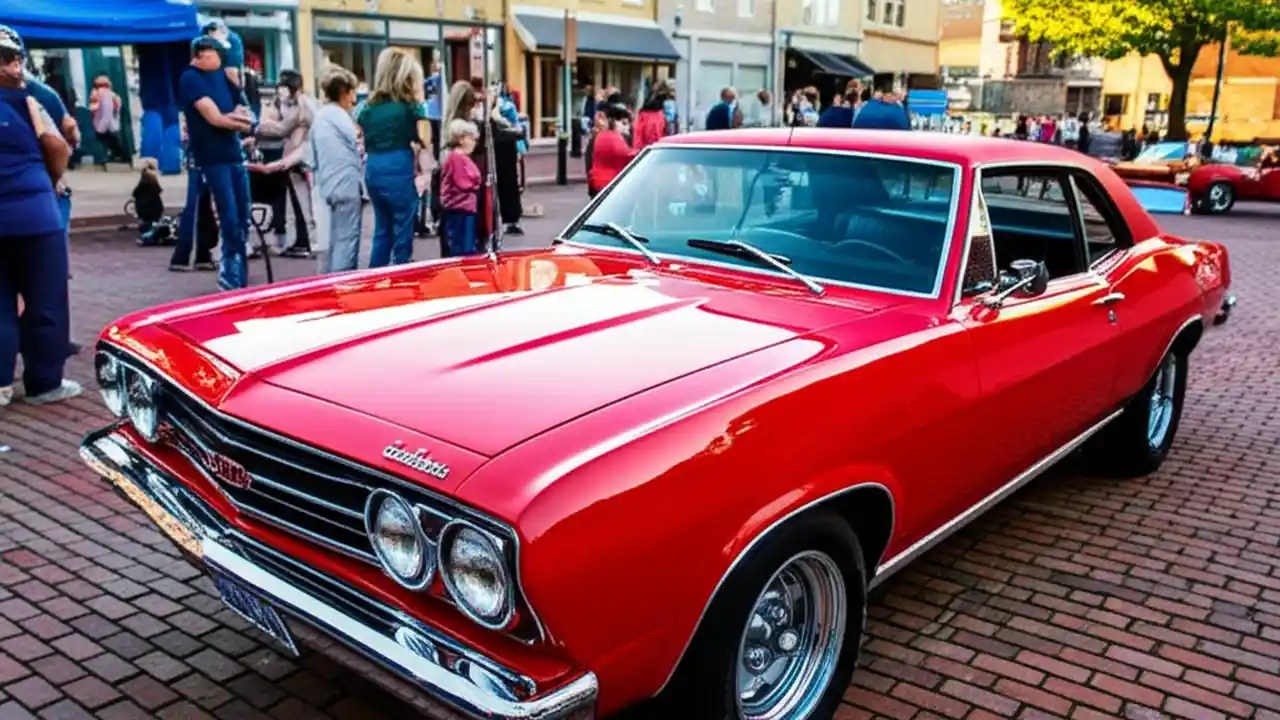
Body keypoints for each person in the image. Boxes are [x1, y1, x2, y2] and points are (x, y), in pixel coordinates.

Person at [0, 25, 80, 408]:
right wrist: (48, 181)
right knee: (45, 300)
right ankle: (43, 383)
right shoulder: (28, 97)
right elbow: (58, 143)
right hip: (34, 213)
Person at [178, 35, 254, 290]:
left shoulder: (223, 77)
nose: (220, 59)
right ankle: (230, 278)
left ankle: (239, 274)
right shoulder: (191, 78)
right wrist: (238, 121)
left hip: (234, 155)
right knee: (229, 217)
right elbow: (215, 118)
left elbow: (245, 111)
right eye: (216, 53)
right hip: (212, 158)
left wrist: (238, 118)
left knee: (243, 216)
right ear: (200, 54)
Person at [358, 48, 429, 268]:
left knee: (383, 230)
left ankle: (374, 277)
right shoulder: (410, 108)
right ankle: (402, 278)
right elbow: (425, 138)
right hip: (398, 166)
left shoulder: (368, 108)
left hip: (374, 168)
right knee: (402, 231)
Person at [253, 68, 316, 258]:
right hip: (293, 158)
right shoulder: (291, 104)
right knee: (295, 203)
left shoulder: (303, 105)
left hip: (301, 159)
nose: (281, 90)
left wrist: (261, 126)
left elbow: (283, 128)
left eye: (284, 86)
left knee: (303, 204)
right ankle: (299, 240)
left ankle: (306, 242)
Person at [311, 65, 365, 274]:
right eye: (352, 93)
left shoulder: (321, 116)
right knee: (347, 240)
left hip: (328, 185)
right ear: (344, 92)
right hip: (346, 185)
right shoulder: (340, 116)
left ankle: (328, 281)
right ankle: (342, 283)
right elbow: (357, 139)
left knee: (332, 240)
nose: (354, 99)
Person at [439, 119, 482, 256]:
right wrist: (475, 183)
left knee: (464, 244)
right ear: (462, 139)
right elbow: (462, 182)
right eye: (472, 138)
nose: (474, 142)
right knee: (463, 247)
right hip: (460, 207)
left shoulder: (459, 157)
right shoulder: (457, 158)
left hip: (464, 206)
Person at [588, 104, 635, 198]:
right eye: (623, 123)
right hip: (609, 183)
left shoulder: (602, 135)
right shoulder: (612, 137)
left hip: (600, 181)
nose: (627, 127)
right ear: (613, 121)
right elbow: (628, 154)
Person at [88, 75, 127, 168]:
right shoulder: (113, 95)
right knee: (113, 144)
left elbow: (106, 112)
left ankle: (110, 159)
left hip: (105, 126)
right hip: (112, 126)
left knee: (108, 144)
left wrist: (100, 128)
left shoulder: (100, 95)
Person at [133, 159, 165, 245]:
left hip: (143, 208)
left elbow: (135, 193)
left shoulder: (143, 182)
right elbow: (158, 190)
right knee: (153, 223)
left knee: (146, 223)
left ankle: (146, 235)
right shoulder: (152, 182)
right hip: (153, 209)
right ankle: (151, 236)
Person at [633, 80, 673, 152]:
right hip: (659, 147)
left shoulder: (645, 109)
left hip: (647, 147)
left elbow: (638, 135)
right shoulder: (665, 106)